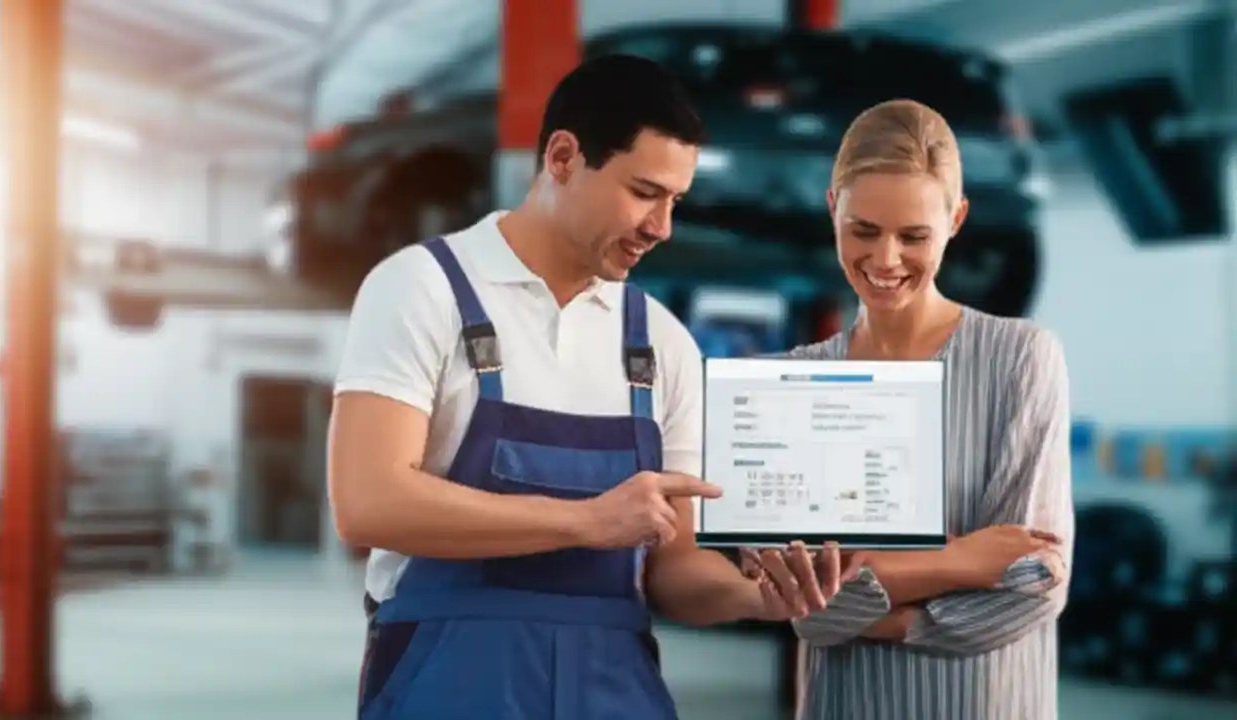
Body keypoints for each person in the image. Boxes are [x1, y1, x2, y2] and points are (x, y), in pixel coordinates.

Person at [328, 54, 848, 720]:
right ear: (565, 157)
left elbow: (674, 569)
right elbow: (369, 503)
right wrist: (587, 521)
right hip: (447, 686)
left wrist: (756, 599)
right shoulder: (420, 289)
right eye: (643, 192)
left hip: (614, 691)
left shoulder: (662, 345)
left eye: (675, 202)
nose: (661, 226)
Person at [748, 98, 1074, 720]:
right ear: (831, 210)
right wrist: (957, 561)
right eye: (863, 230)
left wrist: (880, 607)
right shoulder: (793, 383)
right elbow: (796, 606)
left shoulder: (1020, 359)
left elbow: (1031, 584)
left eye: (915, 235)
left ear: (956, 219)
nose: (886, 260)